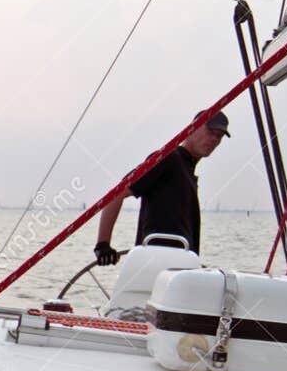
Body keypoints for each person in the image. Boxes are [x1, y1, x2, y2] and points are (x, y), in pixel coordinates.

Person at [93, 110, 229, 264]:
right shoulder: (168, 158)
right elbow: (115, 194)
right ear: (191, 129)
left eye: (219, 136)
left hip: (178, 267)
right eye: (210, 132)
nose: (213, 139)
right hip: (155, 266)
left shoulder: (187, 171)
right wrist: (103, 245)